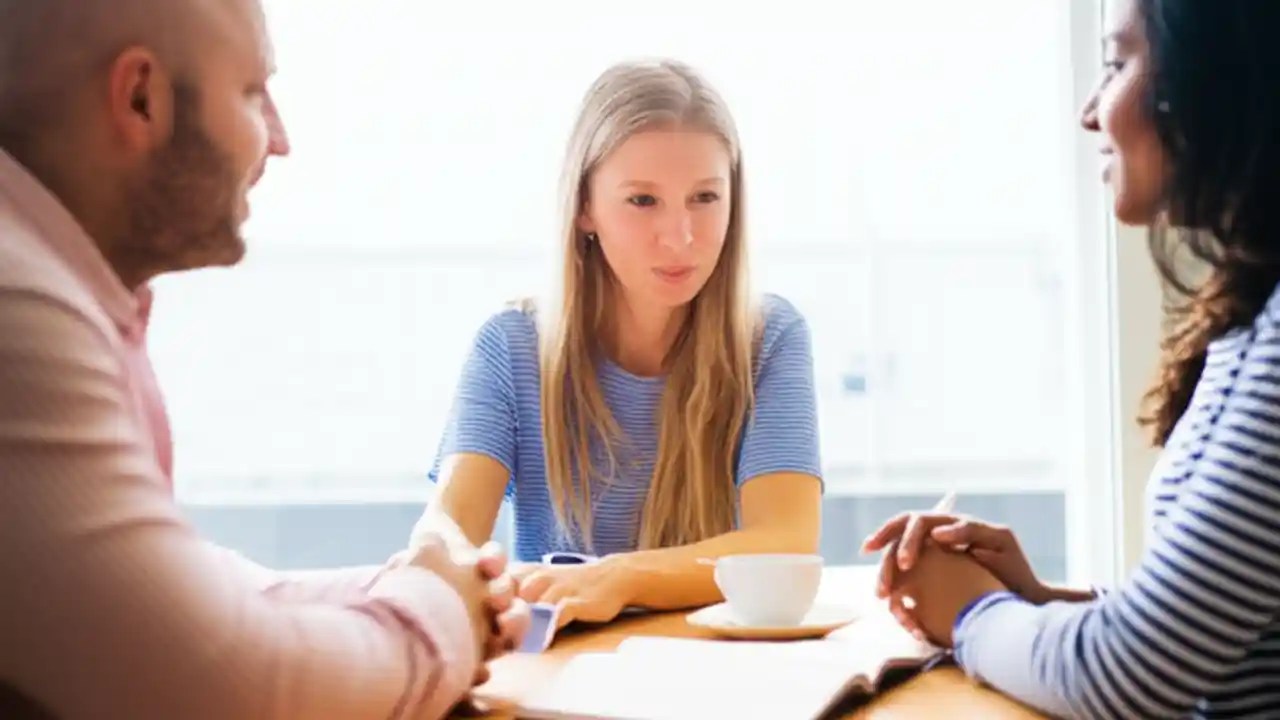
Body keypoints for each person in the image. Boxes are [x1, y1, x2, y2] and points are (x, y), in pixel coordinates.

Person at [0, 1, 527, 717]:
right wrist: (438, 613)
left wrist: (402, 590)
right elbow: (223, 684)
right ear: (140, 98)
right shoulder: (19, 311)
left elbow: (167, 593)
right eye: (252, 93)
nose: (279, 141)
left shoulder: (46, 278)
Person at [860, 1, 1280, 717]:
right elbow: (1231, 636)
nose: (1091, 112)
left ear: (1213, 74)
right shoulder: (1252, 315)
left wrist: (973, 615)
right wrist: (1045, 602)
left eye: (1117, 65)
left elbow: (1130, 675)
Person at [409, 59, 824, 628]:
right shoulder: (509, 349)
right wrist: (430, 570)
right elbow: (449, 530)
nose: (680, 238)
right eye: (643, 201)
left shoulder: (769, 338)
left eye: (705, 198)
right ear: (584, 208)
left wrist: (621, 576)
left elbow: (785, 543)